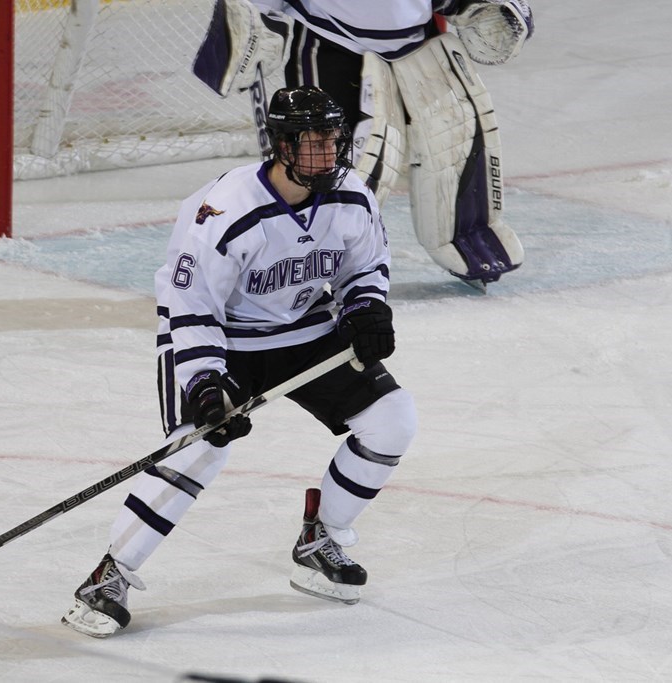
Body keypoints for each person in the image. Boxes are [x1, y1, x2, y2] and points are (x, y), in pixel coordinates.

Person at [61, 86, 418, 638]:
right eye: (313, 142)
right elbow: (191, 303)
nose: (328, 152)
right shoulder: (226, 210)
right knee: (197, 451)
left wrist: (366, 307)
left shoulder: (351, 195)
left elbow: (365, 264)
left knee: (393, 420)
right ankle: (110, 576)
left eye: (333, 140)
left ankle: (321, 537)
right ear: (282, 145)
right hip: (222, 341)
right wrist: (205, 382)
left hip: (302, 330)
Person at [195, 0, 535, 288]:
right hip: (331, 43)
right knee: (331, 164)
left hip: (423, 43)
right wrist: (248, 17)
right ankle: (305, 258)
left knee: (455, 140)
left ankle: (466, 233)